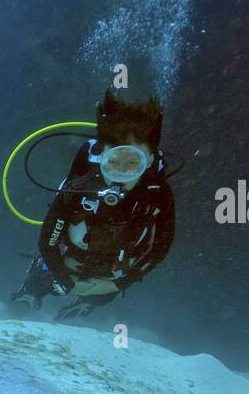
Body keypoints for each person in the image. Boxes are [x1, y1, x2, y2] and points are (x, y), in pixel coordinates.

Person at [11, 91, 175, 320]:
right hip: (70, 256)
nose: (121, 172)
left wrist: (120, 284)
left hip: (113, 266)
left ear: (148, 161)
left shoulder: (159, 195)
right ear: (101, 156)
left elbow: (160, 248)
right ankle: (29, 294)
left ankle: (86, 303)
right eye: (114, 161)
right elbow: (48, 242)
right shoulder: (77, 188)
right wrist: (66, 282)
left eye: (133, 163)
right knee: (45, 281)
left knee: (103, 295)